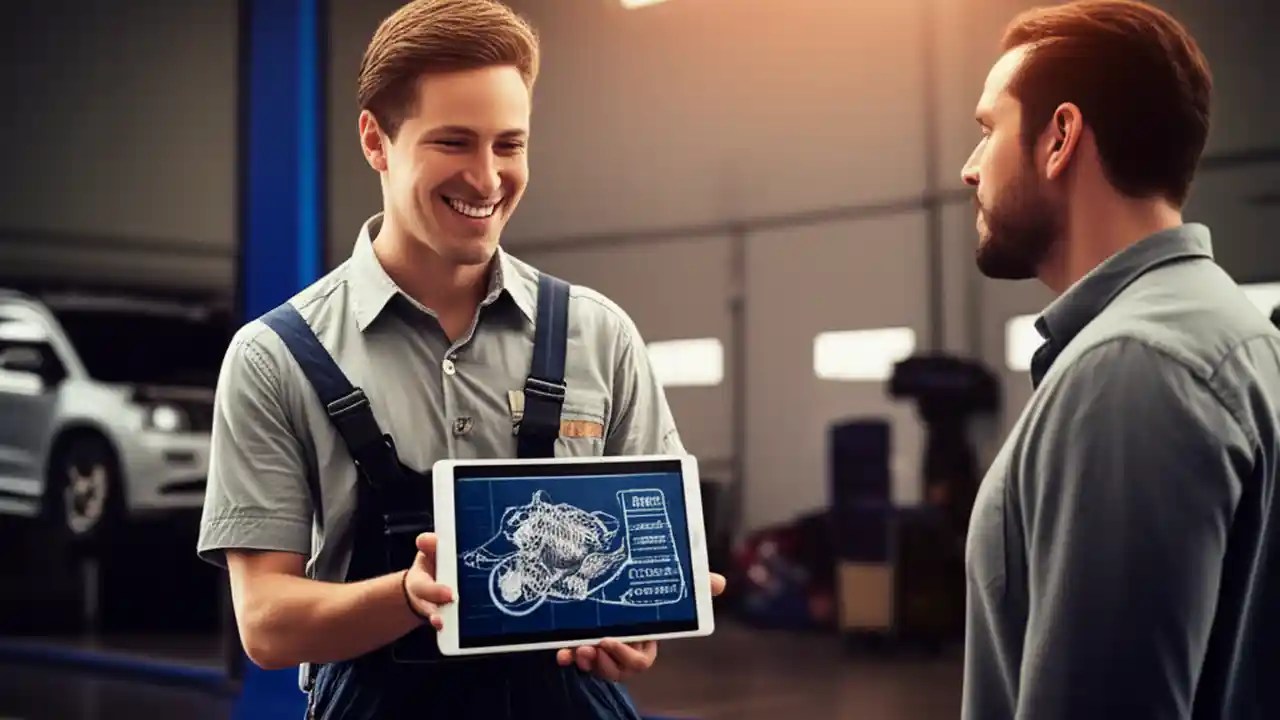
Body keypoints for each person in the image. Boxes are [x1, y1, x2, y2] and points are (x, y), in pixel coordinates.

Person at [197, 1, 723, 717]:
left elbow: (635, 588)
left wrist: (640, 626)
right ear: (376, 141)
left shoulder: (600, 338)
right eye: (454, 143)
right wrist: (409, 597)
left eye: (509, 145)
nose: (487, 178)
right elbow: (265, 622)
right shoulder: (275, 359)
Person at [960, 1, 1278, 718]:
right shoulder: (1232, 333)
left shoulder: (1134, 369)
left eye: (987, 129)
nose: (969, 168)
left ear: (1059, 138)